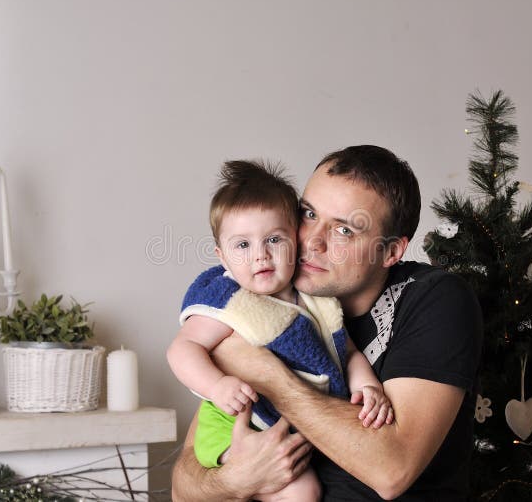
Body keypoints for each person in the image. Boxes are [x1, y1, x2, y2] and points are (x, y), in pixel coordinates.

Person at [171, 145, 483, 501]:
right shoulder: (258, 297)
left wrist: (261, 370)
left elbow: (391, 471)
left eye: (345, 230)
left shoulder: (435, 299)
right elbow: (184, 484)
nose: (311, 242)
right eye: (308, 213)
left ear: (392, 251)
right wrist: (235, 481)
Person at [167, 160, 394, 501]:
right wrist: (217, 385)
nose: (261, 256)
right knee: (303, 490)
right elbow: (182, 350)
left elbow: (346, 352)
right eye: (242, 245)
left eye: (274, 239)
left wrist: (368, 385)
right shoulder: (228, 301)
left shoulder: (315, 299)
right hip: (233, 424)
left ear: (296, 240)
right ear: (222, 256)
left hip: (287, 425)